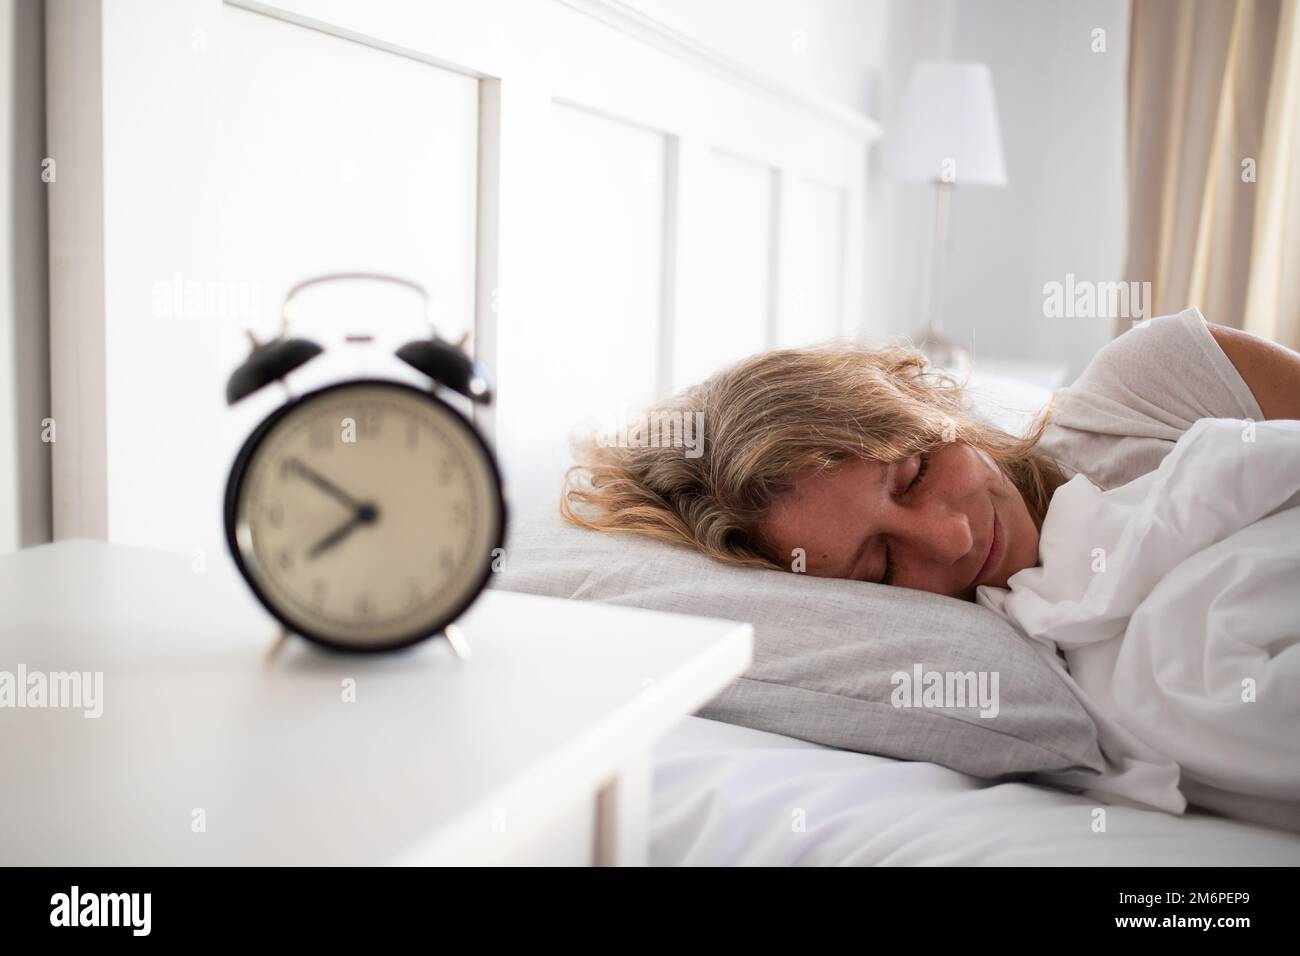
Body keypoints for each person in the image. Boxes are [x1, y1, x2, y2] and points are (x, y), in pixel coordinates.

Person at [561, 308, 1300, 602]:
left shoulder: (1152, 382)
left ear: (926, 399)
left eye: (914, 474)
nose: (951, 539)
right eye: (879, 566)